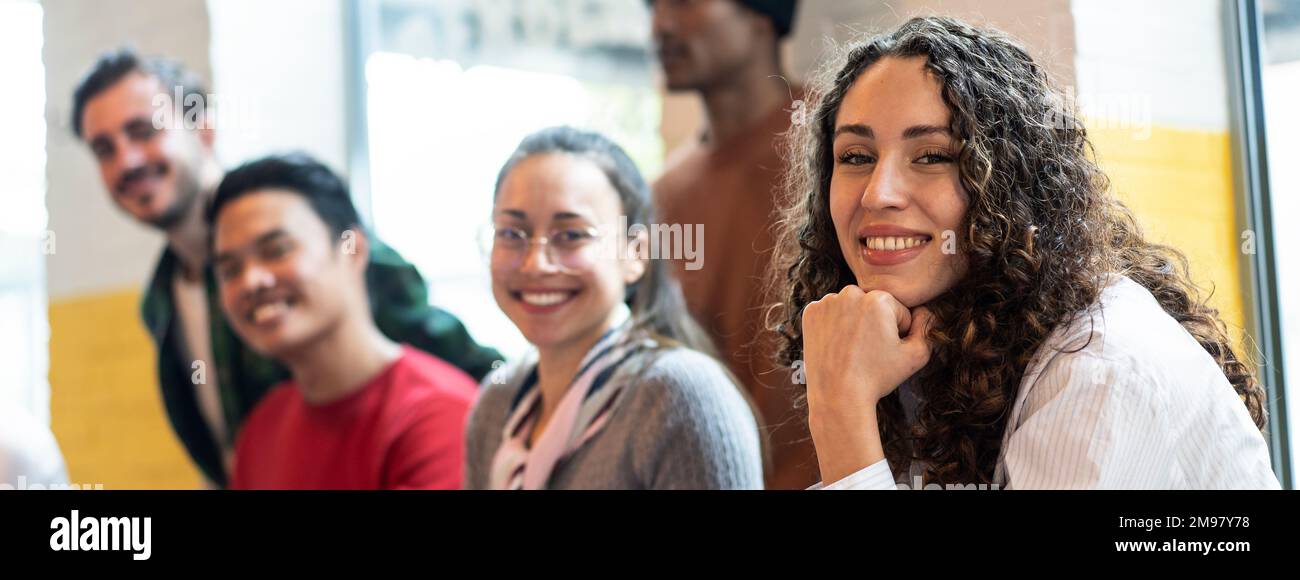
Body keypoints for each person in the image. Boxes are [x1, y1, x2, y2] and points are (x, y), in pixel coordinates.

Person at [772, 16, 1280, 489]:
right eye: (856, 157)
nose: (878, 193)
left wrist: (841, 415)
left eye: (932, 156)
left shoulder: (1096, 372)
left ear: (1010, 186)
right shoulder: (930, 347)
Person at [71, 49, 500, 486]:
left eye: (143, 130)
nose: (126, 161)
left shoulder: (316, 233)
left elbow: (472, 376)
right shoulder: (161, 305)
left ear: (203, 129)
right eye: (104, 149)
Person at [464, 127, 763, 489]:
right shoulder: (498, 401)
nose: (535, 263)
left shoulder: (681, 396)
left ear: (635, 253)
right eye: (512, 233)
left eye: (571, 235)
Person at [210, 154, 476, 489]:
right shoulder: (262, 428)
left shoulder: (435, 415)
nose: (251, 281)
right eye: (229, 270)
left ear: (354, 250)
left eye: (276, 250)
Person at [648, 0, 816, 489]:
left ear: (763, 15)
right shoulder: (662, 195)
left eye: (682, 3)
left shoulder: (845, 146)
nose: (660, 25)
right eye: (652, 7)